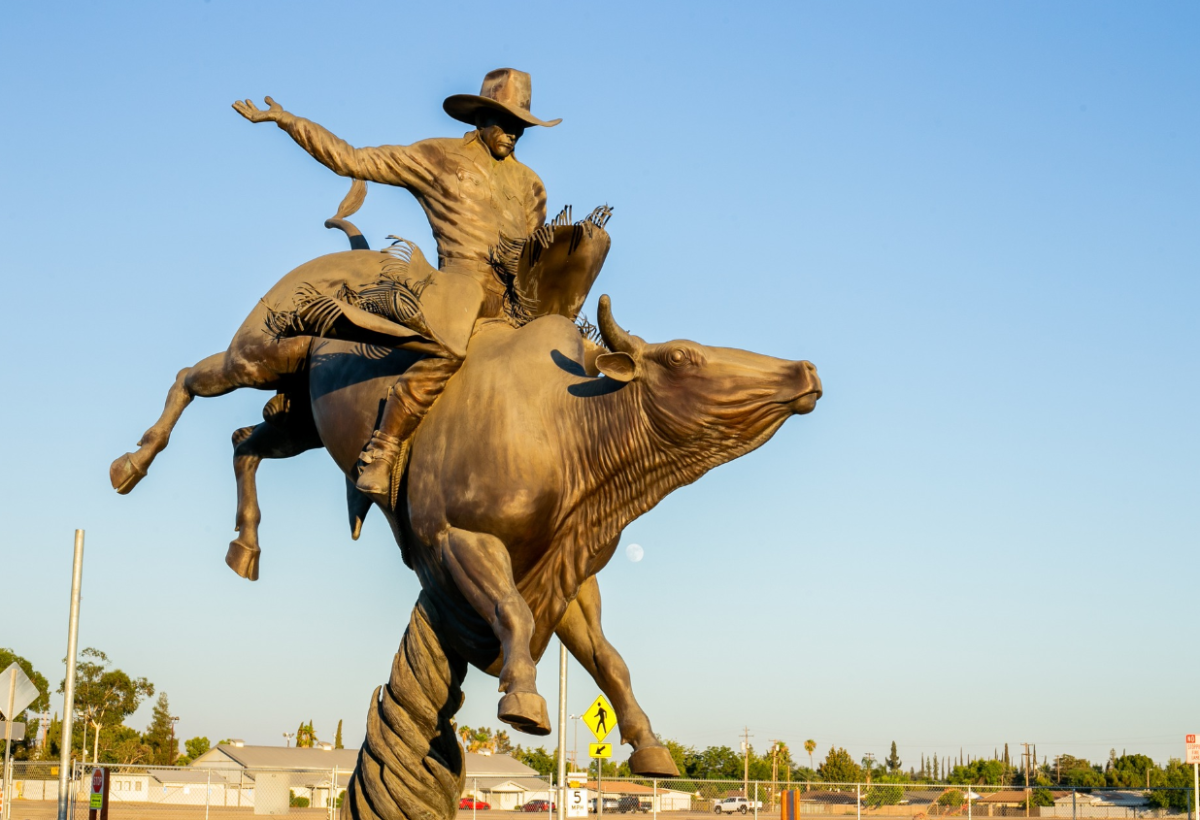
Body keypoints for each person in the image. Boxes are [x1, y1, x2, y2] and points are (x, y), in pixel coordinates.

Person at [233, 68, 561, 504]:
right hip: (456, 290)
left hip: (512, 306)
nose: (515, 132)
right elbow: (351, 159)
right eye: (507, 121)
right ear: (480, 117)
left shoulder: (531, 184)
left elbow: (533, 258)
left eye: (523, 124)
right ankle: (383, 447)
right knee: (452, 347)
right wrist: (288, 120)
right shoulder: (436, 158)